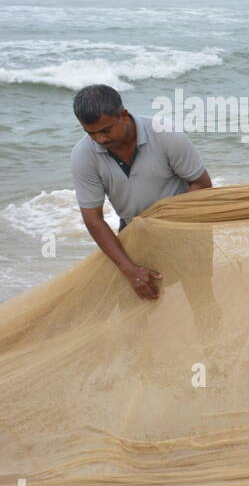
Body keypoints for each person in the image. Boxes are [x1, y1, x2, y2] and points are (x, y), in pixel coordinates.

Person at [71, 84, 221, 334]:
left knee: (201, 297)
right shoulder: (83, 156)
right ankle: (142, 368)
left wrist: (168, 226)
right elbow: (93, 219)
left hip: (187, 225)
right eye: (91, 133)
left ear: (125, 115)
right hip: (134, 230)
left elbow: (202, 184)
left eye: (106, 130)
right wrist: (128, 269)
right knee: (132, 304)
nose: (100, 139)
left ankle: (215, 357)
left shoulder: (166, 135)